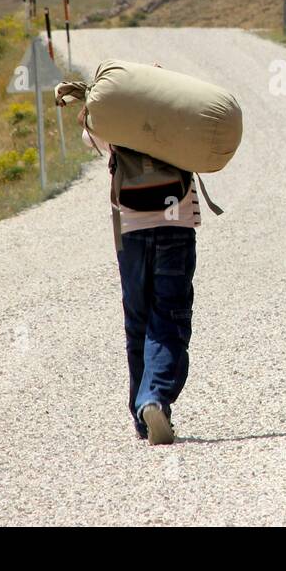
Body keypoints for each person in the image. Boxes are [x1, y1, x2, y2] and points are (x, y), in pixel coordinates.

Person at [79, 111, 199, 446]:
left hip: (130, 231)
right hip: (176, 224)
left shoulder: (118, 116)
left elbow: (90, 137)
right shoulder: (179, 117)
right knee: (169, 318)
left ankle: (144, 418)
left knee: (138, 322)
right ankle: (153, 400)